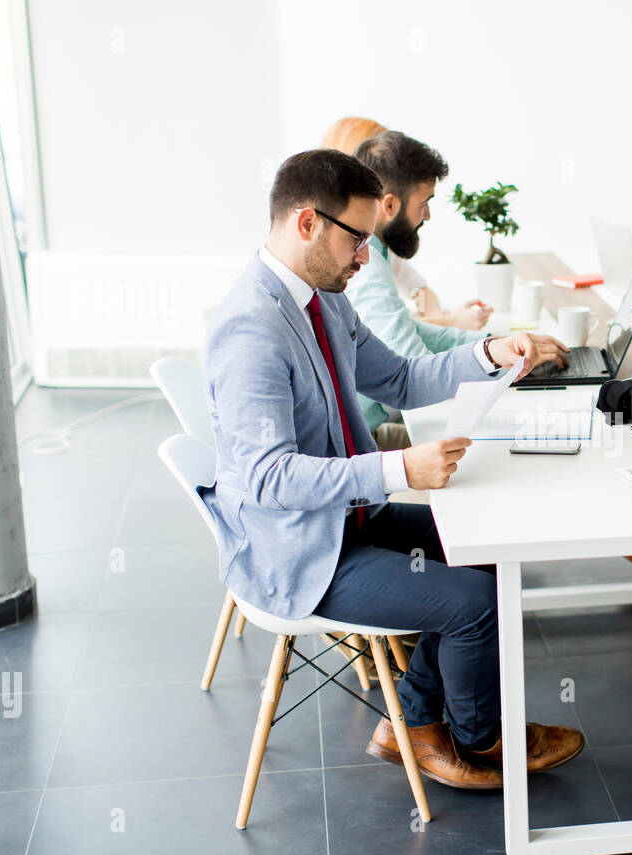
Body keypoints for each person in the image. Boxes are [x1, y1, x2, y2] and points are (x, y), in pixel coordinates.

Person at [200, 148, 580, 789]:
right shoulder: (251, 329)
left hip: (343, 520)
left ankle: (416, 722)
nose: (364, 258)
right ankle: (481, 741)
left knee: (487, 546)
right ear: (306, 223)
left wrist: (489, 351)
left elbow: (399, 378)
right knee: (476, 603)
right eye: (356, 239)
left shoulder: (324, 296)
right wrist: (398, 468)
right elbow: (269, 478)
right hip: (298, 555)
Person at [347, 130, 565, 452]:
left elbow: (414, 332)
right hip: (361, 445)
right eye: (424, 204)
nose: (427, 216)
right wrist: (493, 359)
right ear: (390, 205)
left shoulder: (376, 254)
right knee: (513, 444)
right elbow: (416, 371)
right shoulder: (367, 270)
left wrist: (497, 345)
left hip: (372, 431)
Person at [320, 116, 490, 332]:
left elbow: (417, 290)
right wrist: (451, 322)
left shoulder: (379, 247)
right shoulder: (364, 261)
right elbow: (395, 342)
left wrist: (443, 320)